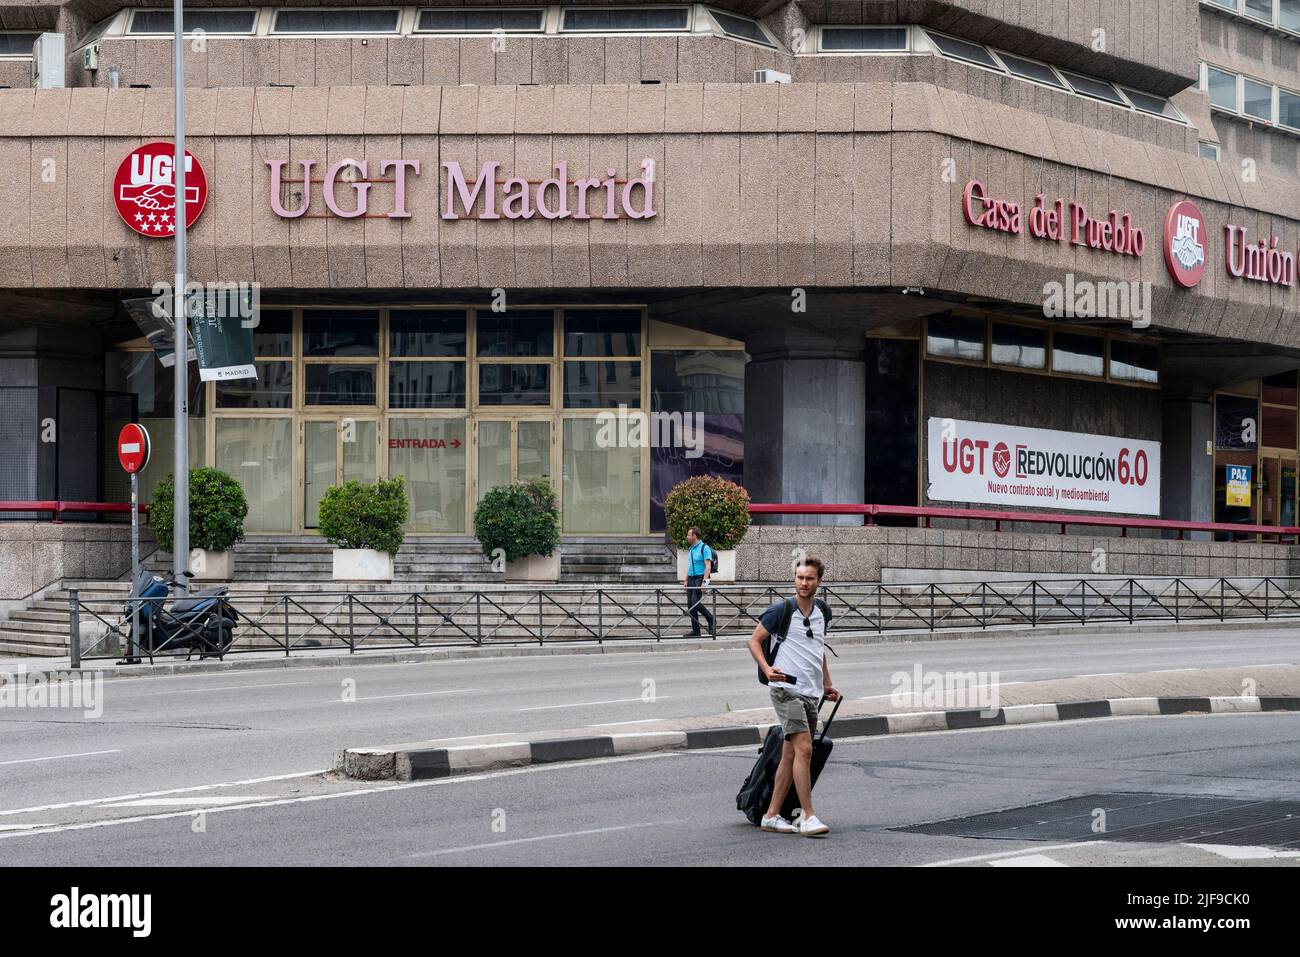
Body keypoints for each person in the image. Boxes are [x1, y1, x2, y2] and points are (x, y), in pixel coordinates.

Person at [746, 557, 840, 837]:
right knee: (805, 750)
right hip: (786, 690)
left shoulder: (823, 611)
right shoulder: (781, 610)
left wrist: (827, 683)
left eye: (809, 578)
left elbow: (817, 649)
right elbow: (753, 640)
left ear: (818, 582)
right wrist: (766, 668)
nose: (803, 583)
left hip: (811, 692)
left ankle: (771, 815)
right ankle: (808, 816)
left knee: (789, 754)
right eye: (799, 578)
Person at [681, 526, 716, 638]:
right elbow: (690, 566)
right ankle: (696, 631)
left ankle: (711, 619)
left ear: (694, 536)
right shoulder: (691, 549)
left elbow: (708, 566)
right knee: (691, 605)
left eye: (688, 535)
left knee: (695, 602)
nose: (687, 537)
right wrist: (686, 579)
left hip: (700, 578)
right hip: (691, 578)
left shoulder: (704, 548)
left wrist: (704, 583)